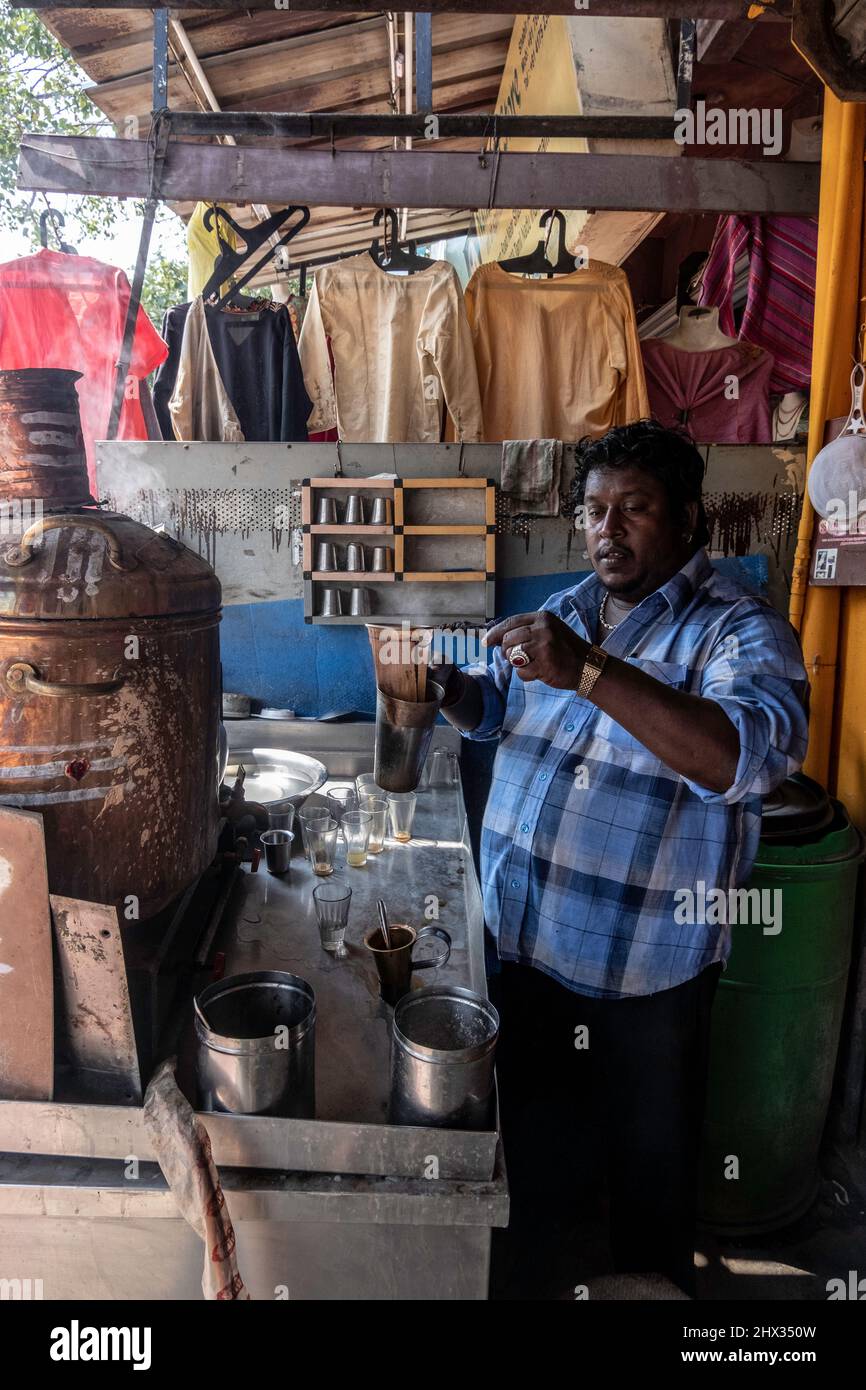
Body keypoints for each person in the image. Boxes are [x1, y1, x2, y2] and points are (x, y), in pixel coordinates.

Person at [437, 419, 809, 1298]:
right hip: (523, 953)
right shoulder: (565, 612)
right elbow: (500, 715)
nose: (607, 529)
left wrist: (593, 673)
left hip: (643, 978)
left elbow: (739, 757)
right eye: (595, 511)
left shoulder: (739, 632)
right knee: (534, 1174)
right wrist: (449, 691)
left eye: (633, 509)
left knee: (644, 1202)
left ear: (688, 521)